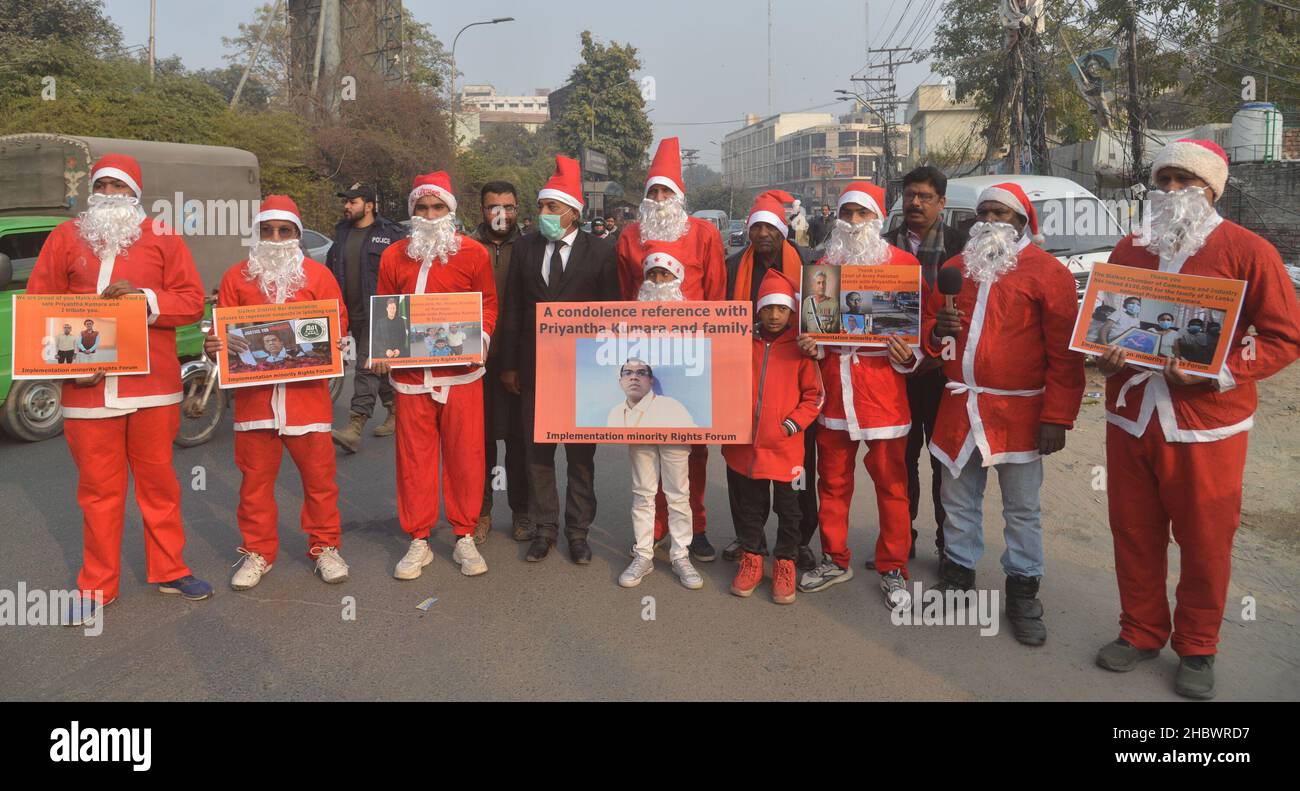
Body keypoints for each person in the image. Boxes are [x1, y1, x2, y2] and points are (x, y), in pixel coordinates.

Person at [1094, 139, 1300, 699]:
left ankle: (1198, 647)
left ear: (1212, 191)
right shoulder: (1129, 249)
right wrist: (1103, 352)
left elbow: (1284, 336)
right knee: (1133, 531)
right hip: (1132, 415)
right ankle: (1139, 631)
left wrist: (1218, 373)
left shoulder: (1247, 250)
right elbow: (1107, 322)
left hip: (1206, 423)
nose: (1172, 192)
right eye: (1164, 181)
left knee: (1206, 539)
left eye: (1186, 182)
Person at [28, 153, 212, 625]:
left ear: (135, 193)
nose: (111, 194)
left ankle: (171, 568)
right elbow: (38, 305)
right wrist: (65, 368)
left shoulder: (164, 238)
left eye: (120, 186)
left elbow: (192, 300)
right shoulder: (65, 238)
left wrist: (146, 300)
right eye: (103, 185)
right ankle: (96, 586)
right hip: (87, 389)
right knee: (97, 491)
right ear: (93, 192)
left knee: (159, 485)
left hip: (153, 386)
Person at [922, 182, 1085, 646]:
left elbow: (1065, 353)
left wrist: (1058, 415)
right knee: (957, 499)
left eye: (1003, 213)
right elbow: (932, 343)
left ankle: (1023, 590)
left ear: (1022, 222)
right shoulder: (955, 269)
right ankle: (958, 578)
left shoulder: (1048, 273)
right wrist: (938, 330)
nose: (991, 221)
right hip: (960, 405)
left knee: (1022, 508)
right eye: (984, 212)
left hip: (1021, 411)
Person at [205, 195, 351, 590]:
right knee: (254, 483)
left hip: (307, 400)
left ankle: (325, 546)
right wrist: (214, 346)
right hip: (255, 403)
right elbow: (222, 333)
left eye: (283, 231)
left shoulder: (319, 277)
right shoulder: (237, 277)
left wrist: (338, 343)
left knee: (319, 480)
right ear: (257, 234)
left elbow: (337, 325)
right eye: (266, 230)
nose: (274, 238)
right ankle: (258, 552)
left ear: (296, 235)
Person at [796, 182, 923, 610]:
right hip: (834, 394)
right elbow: (816, 329)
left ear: (878, 220)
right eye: (847, 214)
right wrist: (812, 346)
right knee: (831, 482)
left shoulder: (904, 266)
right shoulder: (823, 268)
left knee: (892, 485)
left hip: (883, 397)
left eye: (862, 214)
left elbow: (918, 341)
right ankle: (835, 557)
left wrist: (909, 356)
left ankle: (893, 566)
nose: (853, 223)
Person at [375, 171, 498, 582]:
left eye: (437, 207)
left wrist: (480, 339)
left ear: (450, 210)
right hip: (411, 380)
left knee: (466, 456)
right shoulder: (394, 256)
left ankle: (463, 534)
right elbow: (387, 309)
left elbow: (490, 306)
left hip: (461, 376)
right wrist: (383, 349)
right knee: (414, 460)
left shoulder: (474, 254)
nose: (429, 215)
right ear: (412, 212)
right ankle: (419, 538)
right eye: (422, 208)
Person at [499, 156, 619, 564]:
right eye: (541, 207)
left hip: (582, 371)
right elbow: (514, 307)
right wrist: (511, 365)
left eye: (552, 208)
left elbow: (610, 313)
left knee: (581, 456)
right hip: (534, 369)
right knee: (538, 453)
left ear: (573, 211)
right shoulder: (527, 248)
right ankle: (545, 527)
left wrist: (606, 368)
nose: (544, 214)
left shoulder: (600, 252)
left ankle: (578, 530)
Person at [616, 137, 728, 562]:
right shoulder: (628, 236)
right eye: (653, 192)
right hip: (643, 357)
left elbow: (717, 297)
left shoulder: (704, 234)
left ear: (680, 197)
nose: (660, 200)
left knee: (692, 448)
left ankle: (695, 526)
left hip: (691, 355)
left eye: (667, 192)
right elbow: (623, 296)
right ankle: (656, 527)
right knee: (647, 439)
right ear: (645, 198)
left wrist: (717, 352)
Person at [724, 188, 820, 570]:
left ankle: (796, 543)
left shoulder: (810, 263)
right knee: (742, 473)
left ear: (783, 231)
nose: (763, 234)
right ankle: (749, 541)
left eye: (770, 227)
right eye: (756, 227)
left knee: (797, 473)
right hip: (744, 377)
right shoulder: (734, 266)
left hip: (794, 377)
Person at [885, 166, 970, 559]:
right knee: (900, 462)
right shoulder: (882, 248)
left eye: (924, 196)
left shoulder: (962, 247)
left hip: (943, 372)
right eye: (909, 195)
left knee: (942, 465)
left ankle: (947, 545)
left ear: (942, 202)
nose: (915, 203)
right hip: (895, 369)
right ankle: (901, 542)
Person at [616, 250, 704, 590]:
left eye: (664, 276)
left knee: (678, 491)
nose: (657, 282)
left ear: (677, 280)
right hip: (639, 417)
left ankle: (681, 553)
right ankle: (643, 554)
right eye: (651, 276)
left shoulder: (696, 321)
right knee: (642, 490)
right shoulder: (627, 321)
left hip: (676, 419)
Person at [470, 180, 531, 544]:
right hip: (475, 361)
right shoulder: (464, 246)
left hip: (519, 359)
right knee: (479, 443)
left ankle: (522, 512)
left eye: (508, 206)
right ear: (482, 210)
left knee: (520, 442)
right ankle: (481, 512)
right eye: (494, 207)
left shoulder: (531, 246)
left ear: (517, 208)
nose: (501, 214)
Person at [327, 183, 408, 453]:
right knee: (379, 368)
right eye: (345, 202)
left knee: (366, 366)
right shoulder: (341, 233)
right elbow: (332, 273)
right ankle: (395, 410)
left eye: (353, 201)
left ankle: (354, 426)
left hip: (381, 313)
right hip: (351, 313)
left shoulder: (392, 234)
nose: (346, 206)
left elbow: (404, 275)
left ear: (370, 205)